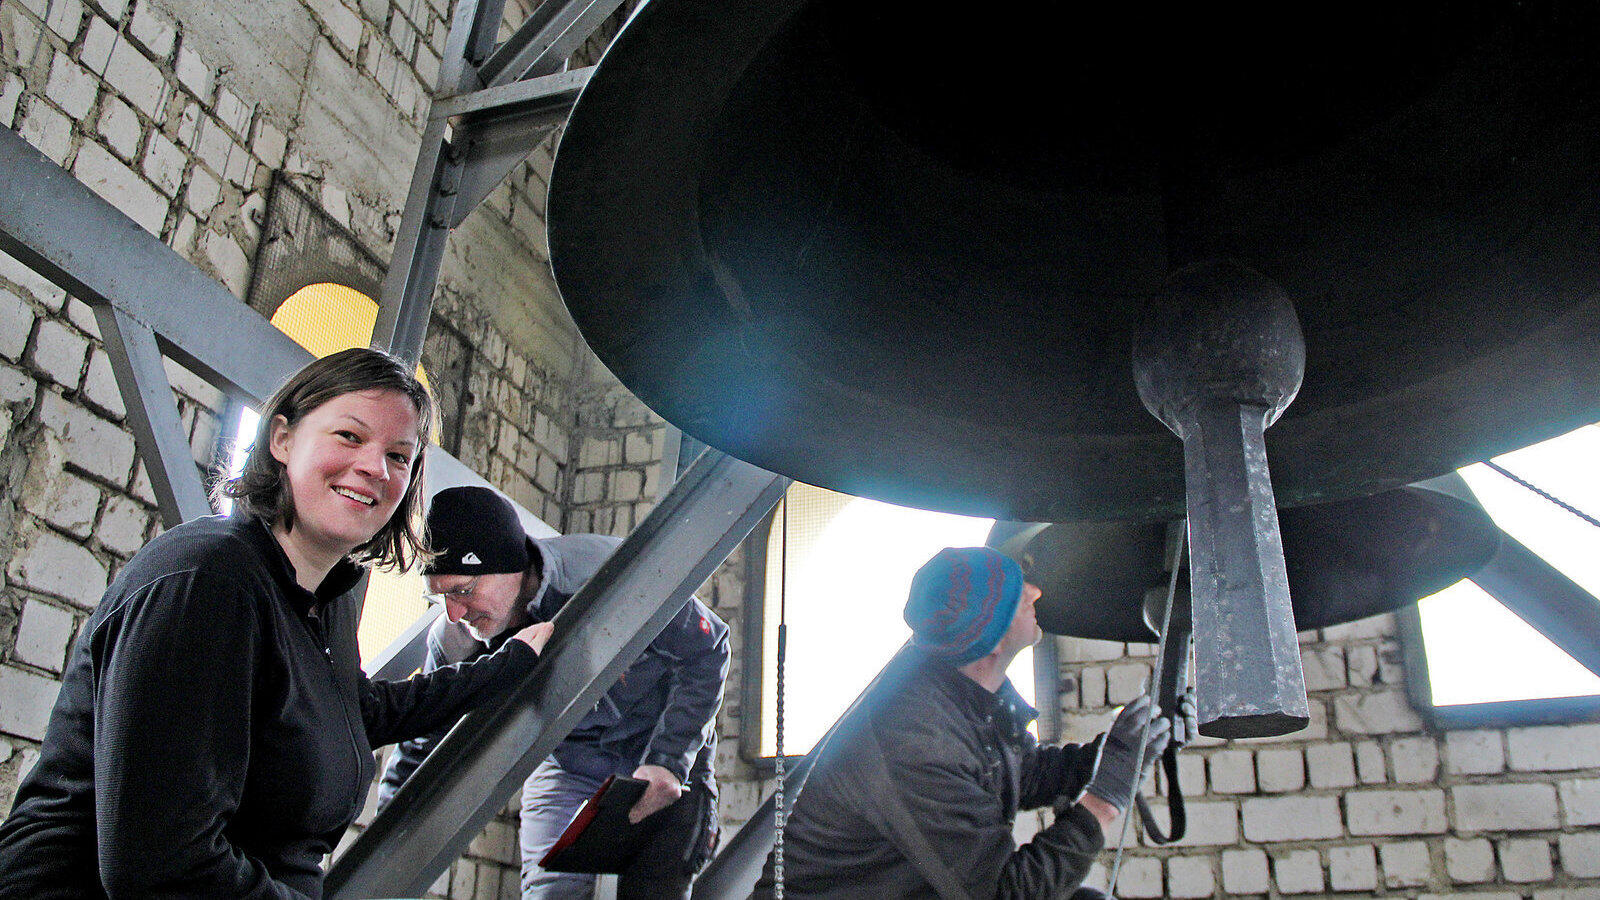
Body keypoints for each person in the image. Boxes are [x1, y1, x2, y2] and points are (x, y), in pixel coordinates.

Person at [0, 347, 554, 899]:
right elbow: (163, 867)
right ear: (282, 439)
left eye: (399, 457)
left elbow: (357, 710)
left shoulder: (328, 599)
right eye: (350, 436)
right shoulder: (210, 580)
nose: (375, 468)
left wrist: (506, 667)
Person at [754, 545, 1189, 899]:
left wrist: (1121, 751)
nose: (1036, 592)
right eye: (1019, 595)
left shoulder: (962, 699)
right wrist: (1105, 799)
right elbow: (1004, 895)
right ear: (993, 639)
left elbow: (1024, 773)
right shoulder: (916, 740)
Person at [377, 485, 729, 899]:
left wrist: (669, 760)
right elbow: (424, 743)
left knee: (659, 886)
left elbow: (708, 647)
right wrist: (385, 845)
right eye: (440, 596)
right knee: (549, 894)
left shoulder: (607, 572)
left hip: (659, 750)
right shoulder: (454, 640)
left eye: (463, 590)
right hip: (567, 765)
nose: (454, 612)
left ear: (511, 566)